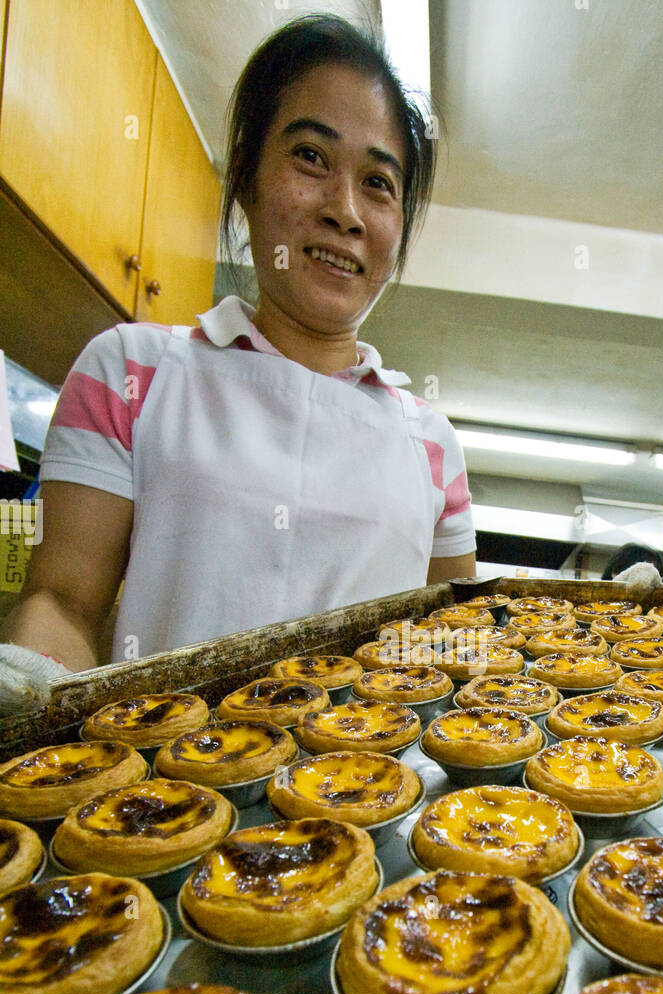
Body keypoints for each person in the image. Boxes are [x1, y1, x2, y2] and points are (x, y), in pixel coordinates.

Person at [0, 16, 475, 709]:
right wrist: (31, 683)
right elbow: (65, 600)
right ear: (247, 178)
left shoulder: (431, 446)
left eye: (379, 182)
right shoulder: (133, 372)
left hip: (362, 804)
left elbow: (447, 654)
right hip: (156, 802)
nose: (344, 210)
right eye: (312, 157)